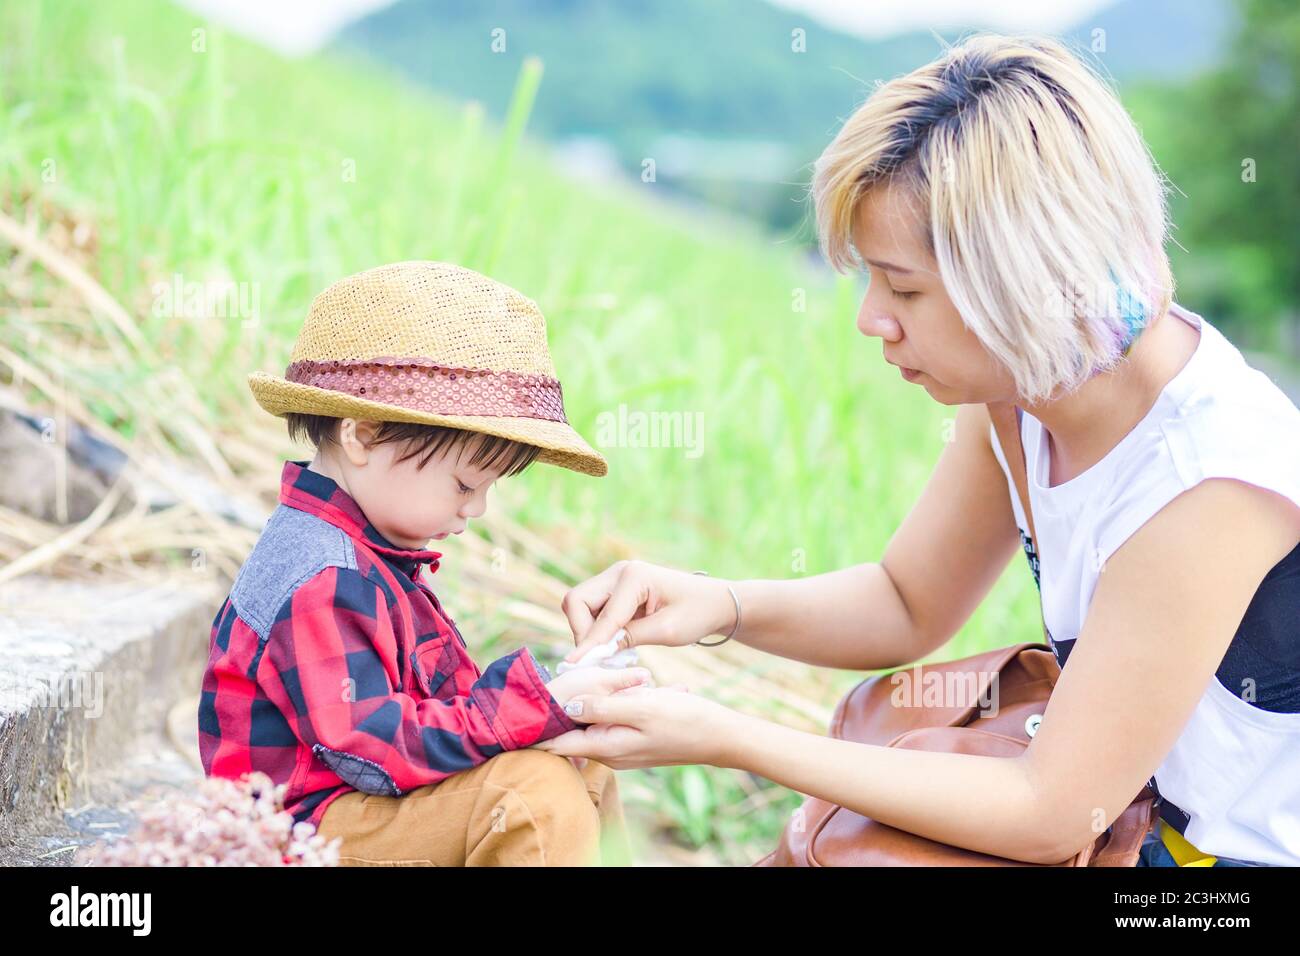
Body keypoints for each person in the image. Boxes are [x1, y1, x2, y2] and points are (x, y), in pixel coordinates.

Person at [535, 34, 1300, 867]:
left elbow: (1050, 810)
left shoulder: (1205, 481)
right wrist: (717, 603)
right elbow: (906, 602)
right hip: (1132, 821)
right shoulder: (1023, 392)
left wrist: (728, 737)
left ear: (1018, 276)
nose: (872, 318)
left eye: (903, 287)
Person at [199, 261, 646, 866]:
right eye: (464, 485)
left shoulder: (371, 556)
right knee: (531, 795)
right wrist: (539, 703)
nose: (478, 508)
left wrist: (554, 700)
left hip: (357, 813)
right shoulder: (322, 576)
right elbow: (374, 752)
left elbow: (444, 713)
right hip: (294, 836)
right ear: (362, 436)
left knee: (581, 771)